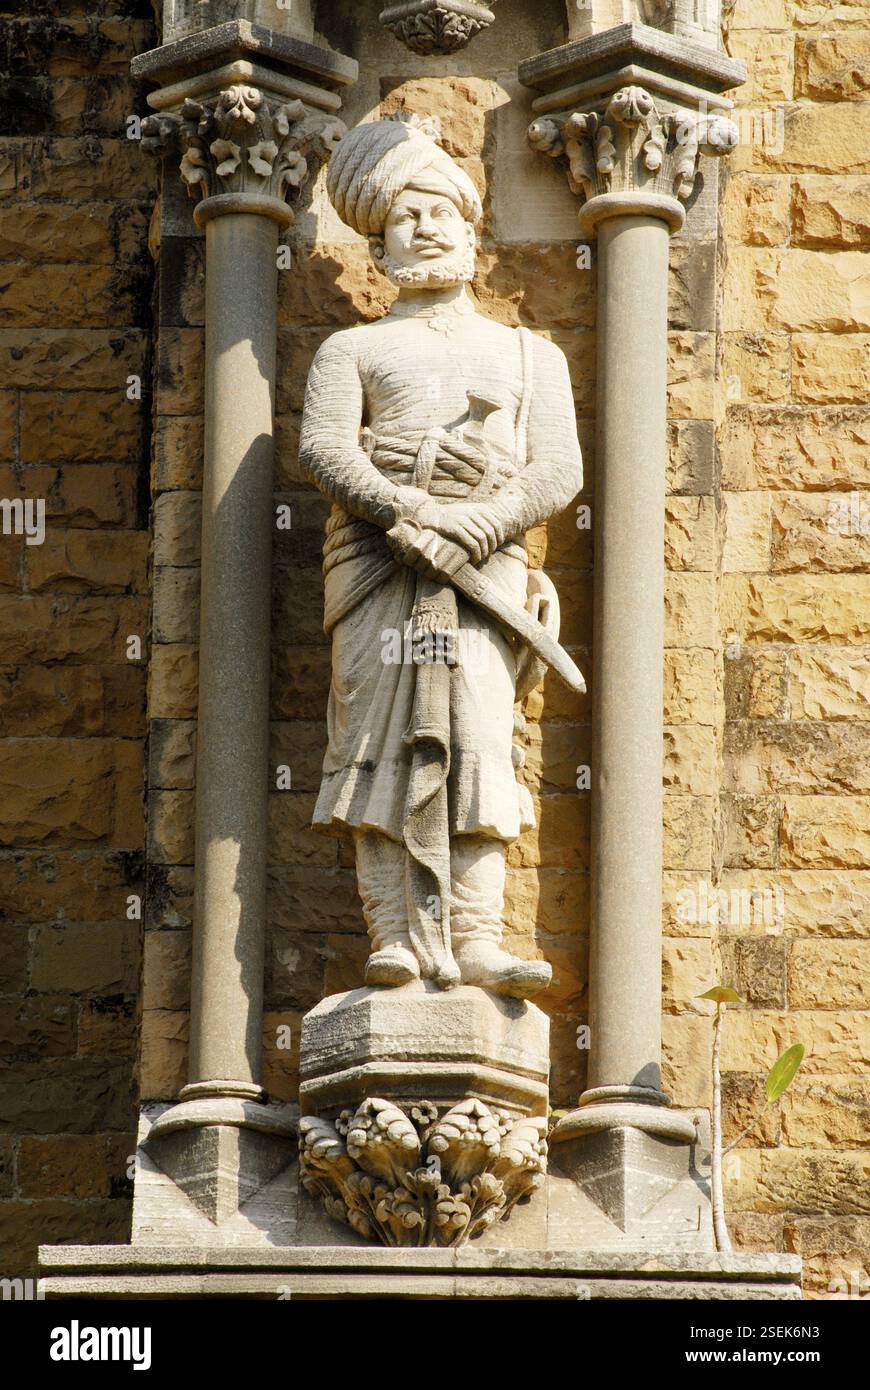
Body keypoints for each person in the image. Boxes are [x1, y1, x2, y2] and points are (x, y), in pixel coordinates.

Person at [298, 114, 583, 998]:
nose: (423, 227)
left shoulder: (529, 356)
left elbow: (558, 469)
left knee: (479, 739)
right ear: (380, 248)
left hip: (483, 575)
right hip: (378, 568)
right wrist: (409, 504)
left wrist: (479, 523)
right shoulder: (352, 348)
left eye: (438, 212)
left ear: (470, 224)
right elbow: (326, 451)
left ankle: (476, 940)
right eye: (402, 219)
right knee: (380, 742)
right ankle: (393, 934)